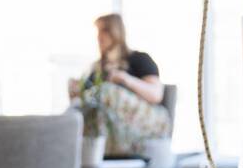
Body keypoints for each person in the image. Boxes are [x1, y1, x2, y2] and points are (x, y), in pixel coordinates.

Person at [68, 13, 171, 156]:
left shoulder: (139, 59)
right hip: (109, 124)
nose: (99, 37)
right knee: (80, 104)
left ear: (115, 32)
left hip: (149, 121)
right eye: (97, 32)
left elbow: (156, 95)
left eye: (103, 31)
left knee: (107, 91)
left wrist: (125, 79)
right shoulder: (96, 68)